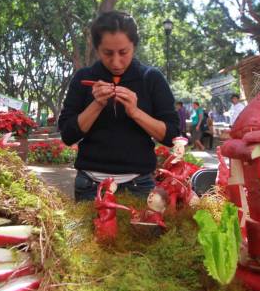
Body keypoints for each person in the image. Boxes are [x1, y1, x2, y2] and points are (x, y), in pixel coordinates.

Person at [58, 11, 179, 202]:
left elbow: (173, 136)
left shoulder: (151, 79)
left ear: (134, 46)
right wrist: (96, 104)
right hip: (90, 187)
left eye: (123, 52)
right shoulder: (83, 79)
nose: (116, 62)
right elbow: (68, 135)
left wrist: (135, 112)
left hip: (139, 186)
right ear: (97, 49)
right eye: (108, 53)